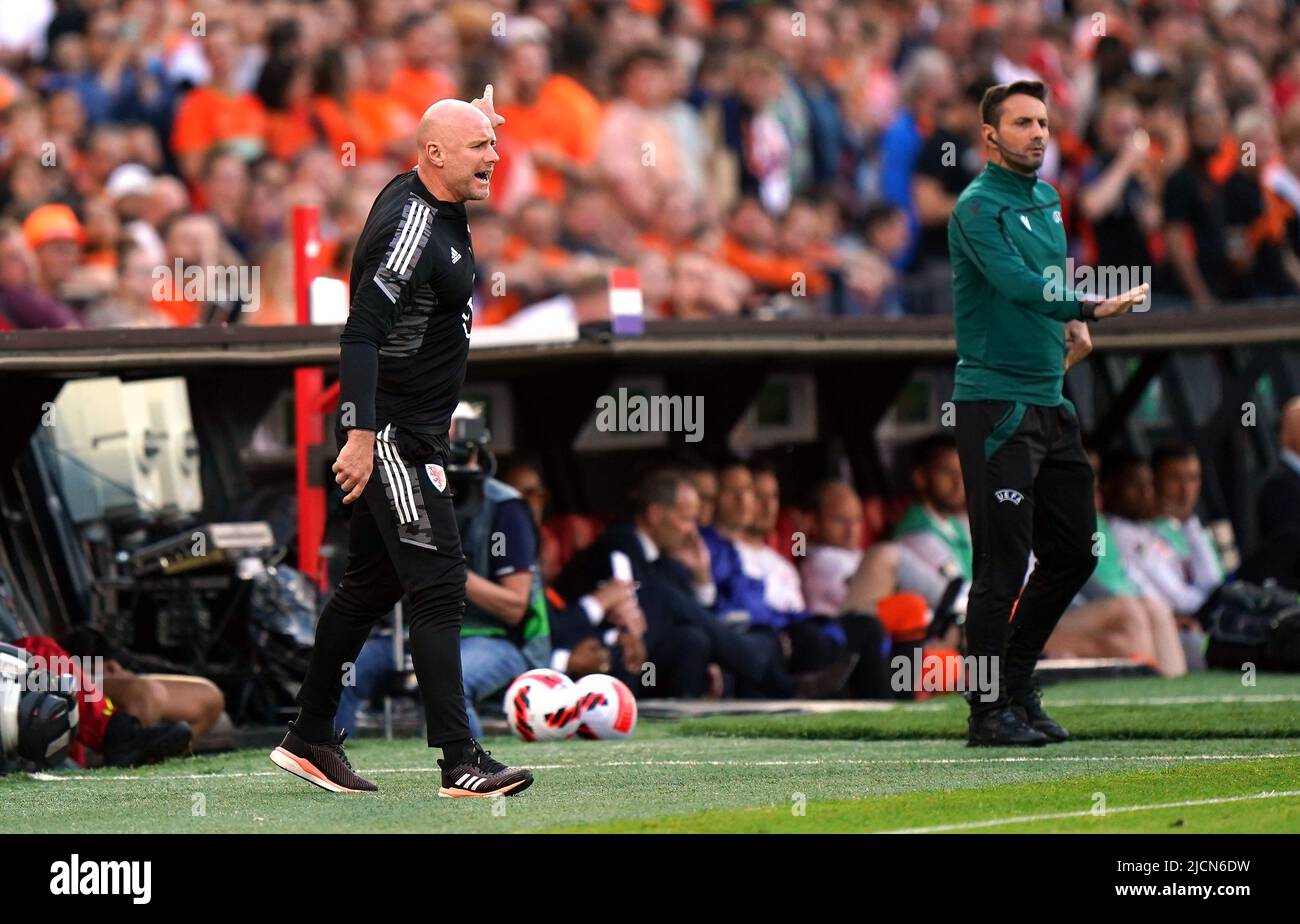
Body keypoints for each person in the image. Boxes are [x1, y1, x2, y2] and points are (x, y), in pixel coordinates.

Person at [271, 87, 534, 799]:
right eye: (480, 147)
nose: (494, 155)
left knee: (366, 588)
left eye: (493, 143)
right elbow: (360, 332)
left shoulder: (433, 189)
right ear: (436, 154)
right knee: (441, 582)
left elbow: (444, 149)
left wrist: (474, 116)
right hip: (392, 437)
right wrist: (359, 435)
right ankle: (460, 760)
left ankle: (309, 737)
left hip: (409, 432)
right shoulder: (413, 223)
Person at [947, 80, 1148, 746]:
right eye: (1023, 123)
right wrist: (1087, 306)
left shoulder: (1048, 199)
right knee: (1000, 567)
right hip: (996, 404)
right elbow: (1017, 284)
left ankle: (1014, 681)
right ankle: (986, 711)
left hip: (1049, 398)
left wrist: (1070, 332)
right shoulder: (977, 208)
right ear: (991, 137)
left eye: (1044, 122)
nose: (1038, 133)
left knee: (1073, 551)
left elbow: (1047, 281)